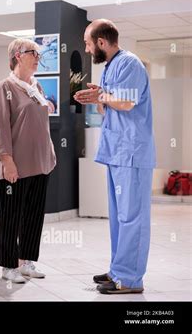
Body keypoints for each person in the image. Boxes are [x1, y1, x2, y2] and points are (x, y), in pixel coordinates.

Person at [74, 19, 156, 294]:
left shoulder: (130, 63)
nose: (86, 50)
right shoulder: (111, 66)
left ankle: (130, 279)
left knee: (132, 216)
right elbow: (109, 108)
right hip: (117, 151)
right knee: (120, 216)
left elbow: (127, 101)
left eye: (87, 43)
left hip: (132, 152)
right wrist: (98, 98)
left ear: (100, 42)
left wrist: (103, 96)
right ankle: (118, 270)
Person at [0, 38, 56, 283]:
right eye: (33, 52)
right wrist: (7, 161)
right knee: (11, 217)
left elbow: (41, 125)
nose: (38, 57)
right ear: (18, 55)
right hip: (15, 166)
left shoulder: (36, 88)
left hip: (41, 163)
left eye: (38, 53)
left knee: (33, 215)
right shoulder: (4, 88)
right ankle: (9, 266)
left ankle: (26, 261)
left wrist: (50, 154)